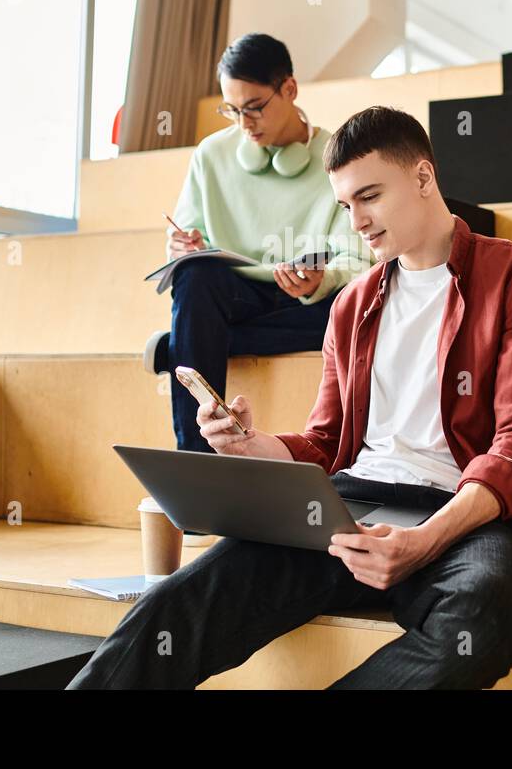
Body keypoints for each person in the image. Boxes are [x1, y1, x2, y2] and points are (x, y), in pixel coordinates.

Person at [70, 106, 512, 690]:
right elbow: (326, 443)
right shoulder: (351, 304)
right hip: (346, 507)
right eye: (344, 206)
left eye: (369, 197)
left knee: (486, 617)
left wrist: (423, 541)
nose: (356, 222)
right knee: (176, 605)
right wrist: (250, 444)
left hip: (466, 516)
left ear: (422, 177)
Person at [146, 32, 373, 454]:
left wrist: (320, 281)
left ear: (289, 89)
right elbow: (190, 241)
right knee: (194, 278)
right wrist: (182, 247)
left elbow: (360, 261)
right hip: (235, 296)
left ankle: (189, 341)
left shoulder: (336, 157)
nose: (243, 124)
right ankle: (195, 461)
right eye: (231, 110)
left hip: (307, 303)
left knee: (359, 316)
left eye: (253, 108)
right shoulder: (211, 155)